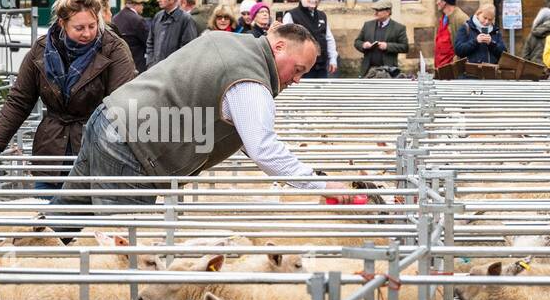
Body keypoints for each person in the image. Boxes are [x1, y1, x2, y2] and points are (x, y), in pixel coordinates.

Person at [39, 24, 362, 230]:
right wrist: (321, 185)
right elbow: (263, 148)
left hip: (110, 119)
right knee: (126, 241)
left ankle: (22, 269)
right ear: (279, 48)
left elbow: (250, 142)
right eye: (299, 69)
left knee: (69, 213)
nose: (296, 79)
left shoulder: (228, 41)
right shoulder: (250, 80)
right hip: (133, 145)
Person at [0, 0, 135, 185]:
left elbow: (123, 105)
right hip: (51, 150)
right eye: (79, 27)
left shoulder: (114, 49)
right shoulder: (41, 50)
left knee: (86, 214)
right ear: (62, 24)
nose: (87, 33)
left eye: (92, 26)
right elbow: (20, 100)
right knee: (48, 213)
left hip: (96, 150)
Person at [281, 0, 337, 78]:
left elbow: (329, 38)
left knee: (322, 92)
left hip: (321, 65)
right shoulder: (291, 15)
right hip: (301, 66)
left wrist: (333, 59)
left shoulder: (322, 15)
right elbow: (285, 40)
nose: (313, 0)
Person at [144, 0, 197, 68]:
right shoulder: (158, 16)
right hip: (155, 69)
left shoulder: (185, 19)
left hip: (174, 71)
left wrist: (176, 67)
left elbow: (188, 47)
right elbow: (150, 42)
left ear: (172, 0)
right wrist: (150, 63)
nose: (158, 0)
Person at [354, 0, 409, 78]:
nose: (375, 13)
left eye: (378, 10)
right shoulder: (368, 25)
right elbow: (357, 42)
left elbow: (405, 47)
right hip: (368, 70)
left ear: (387, 12)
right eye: (375, 10)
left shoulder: (398, 28)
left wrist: (387, 46)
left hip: (388, 71)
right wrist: (363, 45)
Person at [113, 0, 150, 74]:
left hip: (120, 61)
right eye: (141, 4)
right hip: (137, 62)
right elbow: (147, 41)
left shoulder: (115, 18)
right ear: (134, 4)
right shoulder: (138, 20)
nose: (142, 7)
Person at [433, 0, 469, 69]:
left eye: (438, 0)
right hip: (440, 67)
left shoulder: (461, 18)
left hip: (452, 70)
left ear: (444, 2)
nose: (436, 3)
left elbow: (466, 45)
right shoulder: (443, 17)